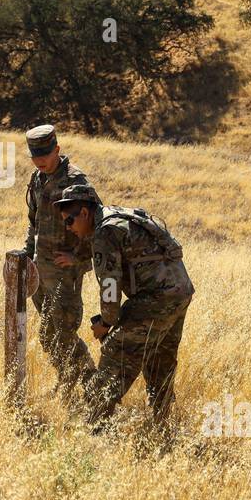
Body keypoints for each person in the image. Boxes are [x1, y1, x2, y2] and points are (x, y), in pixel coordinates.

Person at [56, 183, 195, 430]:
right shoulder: (118, 215)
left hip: (155, 299)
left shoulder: (104, 232)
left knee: (115, 354)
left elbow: (110, 287)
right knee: (159, 359)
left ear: (85, 213)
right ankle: (161, 425)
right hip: (179, 293)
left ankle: (95, 429)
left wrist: (106, 324)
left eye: (69, 221)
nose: (69, 229)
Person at [22, 125, 97, 395]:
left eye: (45, 155)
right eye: (35, 156)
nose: (40, 161)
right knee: (47, 336)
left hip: (65, 276)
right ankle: (66, 380)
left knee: (65, 334)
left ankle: (94, 388)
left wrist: (77, 259)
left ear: (57, 149)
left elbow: (98, 229)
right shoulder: (37, 178)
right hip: (40, 273)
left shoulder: (75, 183)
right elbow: (34, 224)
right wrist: (26, 257)